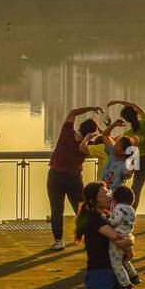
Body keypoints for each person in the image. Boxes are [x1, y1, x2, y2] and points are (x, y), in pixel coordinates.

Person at [47, 105, 105, 251]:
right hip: (74, 178)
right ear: (91, 133)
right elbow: (104, 142)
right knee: (81, 209)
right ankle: (88, 237)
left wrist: (91, 108)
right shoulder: (87, 145)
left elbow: (72, 112)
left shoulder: (66, 132)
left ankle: (58, 241)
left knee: (56, 209)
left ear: (80, 125)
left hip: (55, 176)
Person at [105, 185, 142, 289]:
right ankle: (134, 275)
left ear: (116, 199)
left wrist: (107, 219)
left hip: (117, 237)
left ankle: (125, 284)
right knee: (124, 259)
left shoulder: (119, 207)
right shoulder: (131, 210)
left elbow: (115, 221)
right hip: (127, 235)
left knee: (116, 263)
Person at [82, 117, 134, 190]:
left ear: (123, 151)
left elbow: (128, 174)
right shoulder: (112, 153)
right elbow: (105, 135)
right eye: (115, 143)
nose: (114, 145)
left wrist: (135, 154)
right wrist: (114, 124)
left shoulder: (124, 165)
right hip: (101, 192)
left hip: (114, 196)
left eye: (117, 145)